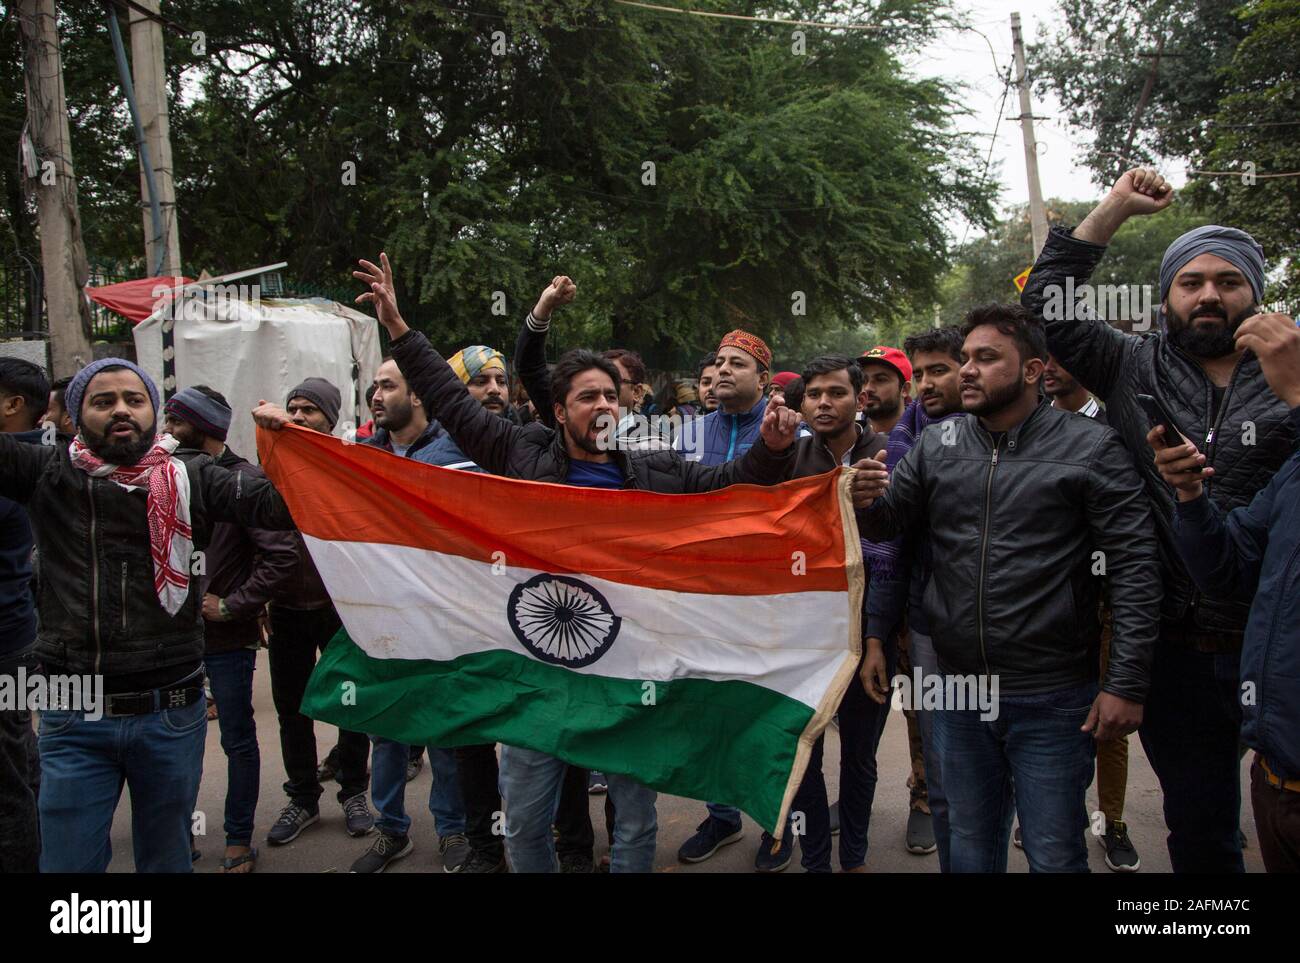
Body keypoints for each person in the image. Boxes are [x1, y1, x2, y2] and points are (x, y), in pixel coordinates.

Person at [343, 252, 801, 873]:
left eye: (611, 395)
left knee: (636, 825)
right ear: (560, 412)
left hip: (628, 675)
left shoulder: (655, 469)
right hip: (540, 679)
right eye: (588, 397)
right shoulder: (519, 453)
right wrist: (399, 327)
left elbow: (728, 486)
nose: (603, 405)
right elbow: (451, 400)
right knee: (527, 825)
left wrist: (772, 452)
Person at [1019, 166, 1298, 872]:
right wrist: (1111, 208)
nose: (1209, 294)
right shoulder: (1128, 365)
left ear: (1256, 293)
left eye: (1229, 281)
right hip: (1176, 647)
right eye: (1191, 281)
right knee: (1203, 829)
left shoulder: (1293, 371)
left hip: (1282, 642)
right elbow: (1048, 305)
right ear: (1168, 294)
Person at [852, 304, 1161, 873]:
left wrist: (1126, 683)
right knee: (969, 845)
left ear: (1034, 370)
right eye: (965, 358)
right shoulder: (938, 443)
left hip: (1054, 693)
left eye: (986, 358)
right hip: (958, 689)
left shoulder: (1091, 447)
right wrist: (868, 503)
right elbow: (891, 524)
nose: (967, 369)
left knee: (1054, 852)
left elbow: (1136, 567)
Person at [0, 357, 295, 872]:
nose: (120, 410)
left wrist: (288, 446)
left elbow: (284, 507)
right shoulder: (44, 472)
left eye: (134, 400)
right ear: (74, 414)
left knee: (165, 861)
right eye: (103, 401)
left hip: (170, 712)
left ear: (153, 412)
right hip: (72, 714)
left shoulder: (194, 476)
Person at [1156, 312, 1300, 872]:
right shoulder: (1291, 474)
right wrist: (1190, 495)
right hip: (1278, 777)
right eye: (1190, 282)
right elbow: (1228, 566)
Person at [162, 384, 298, 874]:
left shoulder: (240, 482)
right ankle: (177, 834)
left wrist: (233, 605)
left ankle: (238, 837)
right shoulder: (164, 480)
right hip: (173, 643)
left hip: (225, 641)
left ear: (204, 429)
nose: (167, 431)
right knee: (176, 742)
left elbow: (281, 554)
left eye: (176, 422)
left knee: (236, 739)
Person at [345, 357, 469, 873]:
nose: (376, 395)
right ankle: (391, 830)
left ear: (416, 395)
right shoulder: (358, 455)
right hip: (380, 620)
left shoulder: (454, 453)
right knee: (387, 731)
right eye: (373, 386)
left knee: (441, 733)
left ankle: (453, 830)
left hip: (439, 619)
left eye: (387, 386)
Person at [778, 356, 891, 873]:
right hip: (804, 635)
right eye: (814, 394)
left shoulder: (891, 455)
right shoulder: (790, 459)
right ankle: (815, 861)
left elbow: (898, 552)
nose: (824, 403)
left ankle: (855, 859)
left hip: (870, 635)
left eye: (836, 393)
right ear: (802, 404)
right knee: (806, 752)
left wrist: (877, 638)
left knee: (861, 756)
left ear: (859, 399)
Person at [863, 326, 966, 866]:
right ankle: (929, 800)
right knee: (941, 752)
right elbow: (892, 548)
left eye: (938, 371)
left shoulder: (1002, 435)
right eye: (921, 373)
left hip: (1016, 639)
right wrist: (879, 632)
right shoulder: (900, 447)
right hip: (924, 625)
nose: (927, 384)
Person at [265, 377, 375, 846]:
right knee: (292, 708)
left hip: (341, 609)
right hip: (287, 607)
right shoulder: (270, 467)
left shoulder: (349, 468)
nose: (300, 416)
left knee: (351, 704)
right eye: (294, 408)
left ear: (330, 420)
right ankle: (303, 797)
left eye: (310, 409)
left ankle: (353, 793)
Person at [1043, 356, 1140, 872]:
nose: (1051, 368)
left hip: (1106, 602)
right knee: (1056, 721)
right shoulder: (1026, 427)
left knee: (1108, 723)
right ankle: (1054, 814)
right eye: (1045, 357)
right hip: (1050, 609)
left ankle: (1114, 821)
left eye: (1063, 357)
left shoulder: (1116, 425)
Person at [0, 358, 48, 872]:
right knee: (20, 755)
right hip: (17, 637)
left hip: (7, 643)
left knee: (8, 776)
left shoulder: (19, 466)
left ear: (13, 405)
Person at [858, 346, 912, 435]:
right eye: (863, 380)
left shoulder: (925, 438)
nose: (868, 388)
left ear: (905, 389)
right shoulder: (847, 436)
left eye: (880, 380)